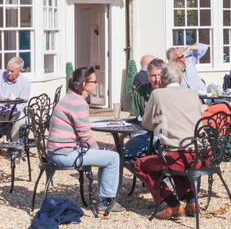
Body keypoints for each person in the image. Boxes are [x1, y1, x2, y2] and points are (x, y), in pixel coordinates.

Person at [48, 66, 122, 217]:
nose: (96, 84)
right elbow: (85, 136)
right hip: (65, 155)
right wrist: (98, 151)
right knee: (113, 157)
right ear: (84, 84)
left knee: (106, 155)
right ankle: (106, 202)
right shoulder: (78, 103)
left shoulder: (69, 98)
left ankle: (105, 197)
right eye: (94, 81)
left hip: (57, 151)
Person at [137, 60, 208, 219]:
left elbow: (147, 124)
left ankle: (174, 205)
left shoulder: (157, 94)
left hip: (178, 155)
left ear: (162, 80)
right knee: (172, 159)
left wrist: (160, 122)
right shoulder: (193, 94)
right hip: (202, 155)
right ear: (181, 79)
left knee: (141, 165)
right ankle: (191, 201)